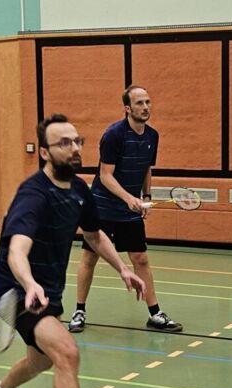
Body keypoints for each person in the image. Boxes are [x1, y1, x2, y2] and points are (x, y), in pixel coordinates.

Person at [0, 114, 145, 388]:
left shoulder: (80, 190)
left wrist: (122, 268)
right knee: (66, 353)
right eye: (64, 143)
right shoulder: (33, 194)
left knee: (40, 360)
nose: (75, 148)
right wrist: (29, 282)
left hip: (47, 289)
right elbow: (17, 248)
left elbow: (93, 233)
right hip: (19, 291)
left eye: (77, 141)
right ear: (44, 152)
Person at [68, 85, 182, 334]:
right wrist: (129, 197)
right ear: (127, 108)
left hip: (129, 208)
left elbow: (146, 169)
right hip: (103, 206)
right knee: (90, 257)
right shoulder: (114, 135)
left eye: (148, 102)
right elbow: (105, 175)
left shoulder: (152, 136)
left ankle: (155, 314)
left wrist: (147, 196)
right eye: (139, 103)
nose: (145, 107)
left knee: (140, 258)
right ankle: (79, 311)